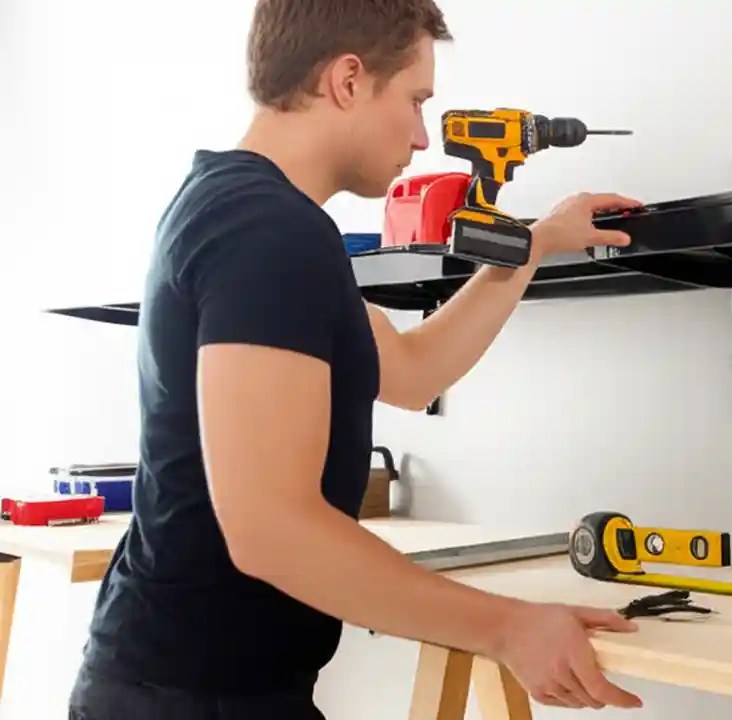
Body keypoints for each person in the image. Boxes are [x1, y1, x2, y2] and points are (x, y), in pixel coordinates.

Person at [67, 1, 645, 717]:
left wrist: (531, 249)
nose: (421, 133)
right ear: (347, 80)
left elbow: (410, 372)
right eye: (414, 101)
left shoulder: (244, 211)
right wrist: (510, 626)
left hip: (204, 682)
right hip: (192, 694)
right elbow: (270, 529)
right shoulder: (268, 230)